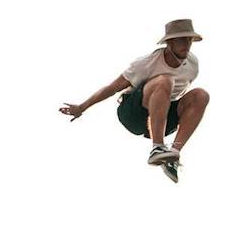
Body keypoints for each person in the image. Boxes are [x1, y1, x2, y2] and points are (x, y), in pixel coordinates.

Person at [60, 18, 210, 183]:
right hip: (132, 113)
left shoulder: (193, 65)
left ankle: (172, 155)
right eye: (182, 39)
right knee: (165, 81)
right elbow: (113, 87)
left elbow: (184, 102)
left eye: (189, 39)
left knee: (201, 95)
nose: (187, 43)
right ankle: (157, 147)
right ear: (170, 42)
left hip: (162, 117)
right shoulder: (147, 63)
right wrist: (82, 107)